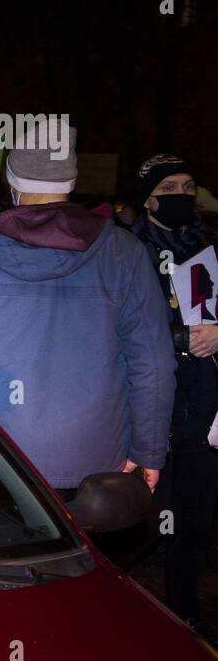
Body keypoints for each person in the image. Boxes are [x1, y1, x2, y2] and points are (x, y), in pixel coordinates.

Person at [0, 122, 175, 495]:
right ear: (71, 182)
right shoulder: (124, 253)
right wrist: (150, 450)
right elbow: (151, 362)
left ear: (14, 184)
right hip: (98, 457)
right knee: (89, 554)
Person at [129, 154, 218, 635]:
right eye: (170, 187)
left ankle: (185, 614)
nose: (182, 194)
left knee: (195, 516)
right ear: (148, 198)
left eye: (189, 185)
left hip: (203, 404)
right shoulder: (125, 250)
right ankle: (123, 610)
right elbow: (116, 326)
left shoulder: (209, 248)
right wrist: (180, 337)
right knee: (140, 516)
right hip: (148, 404)